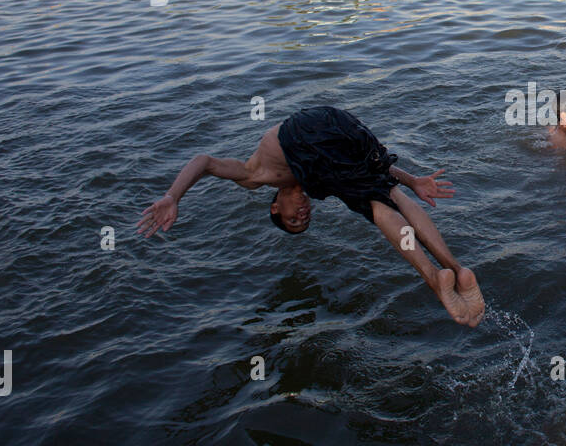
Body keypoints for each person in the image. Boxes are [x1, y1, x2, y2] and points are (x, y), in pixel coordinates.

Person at [137, 105, 485, 325]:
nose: (302, 214)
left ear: (275, 207)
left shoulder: (255, 176)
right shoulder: (321, 179)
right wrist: (413, 181)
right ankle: (457, 271)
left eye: (293, 219)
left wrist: (172, 196)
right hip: (339, 121)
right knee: (388, 191)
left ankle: (434, 280)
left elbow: (205, 161)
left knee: (373, 204)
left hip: (300, 134)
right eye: (304, 220)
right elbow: (374, 172)